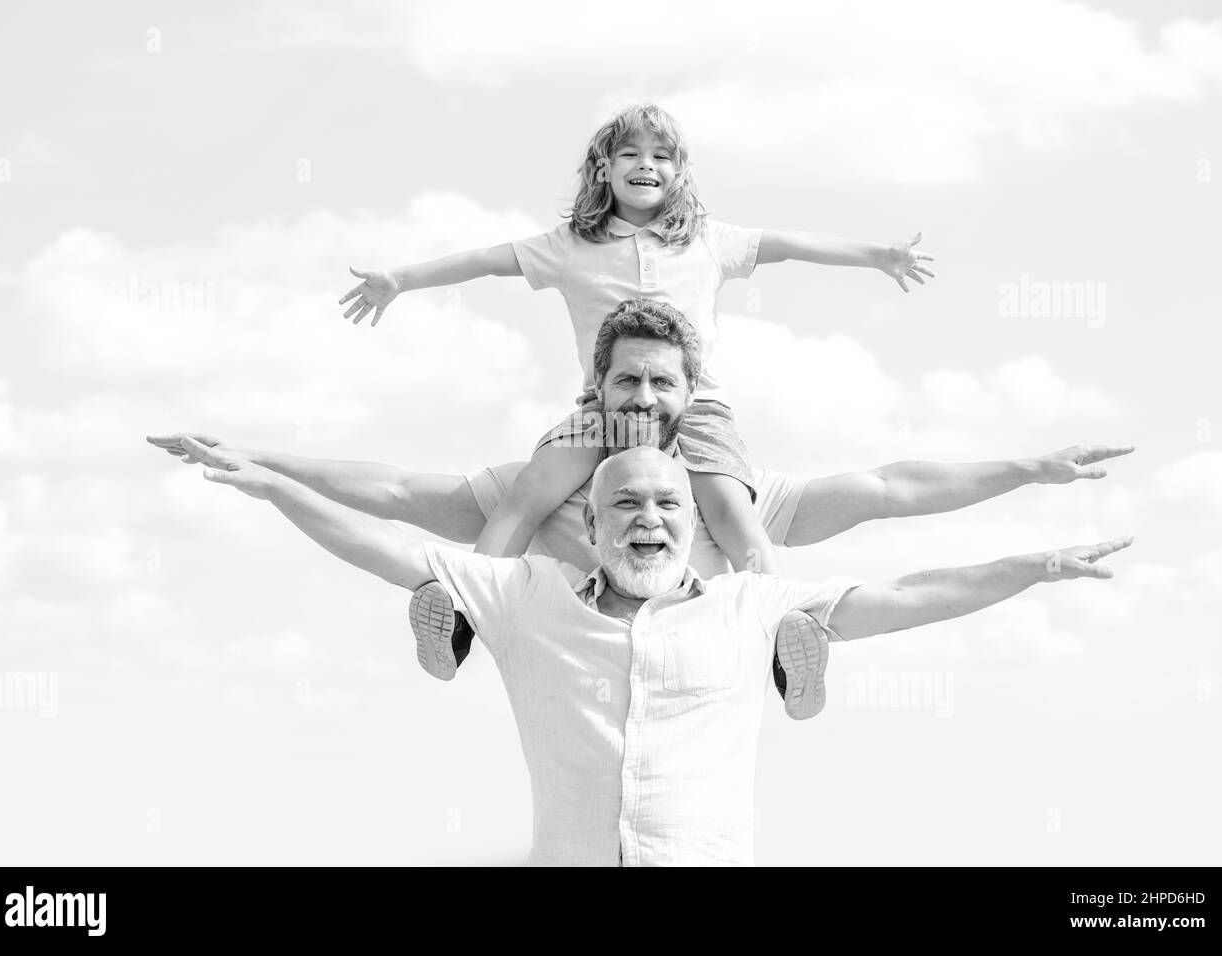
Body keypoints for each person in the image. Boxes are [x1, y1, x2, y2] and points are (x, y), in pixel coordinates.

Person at [158, 440, 1131, 866]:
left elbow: (906, 594)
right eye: (626, 501)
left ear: (693, 522)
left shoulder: (751, 602)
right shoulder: (532, 593)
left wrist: (1034, 561)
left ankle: (803, 673)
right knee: (438, 582)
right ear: (589, 519)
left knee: (812, 624)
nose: (650, 516)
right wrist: (271, 484)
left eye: (669, 502)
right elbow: (389, 539)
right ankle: (444, 630)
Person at [149, 305, 1133, 718]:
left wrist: (1029, 469)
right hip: (569, 663)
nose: (642, 400)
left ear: (687, 390)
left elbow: (888, 489)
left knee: (785, 600)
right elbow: (402, 492)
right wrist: (264, 458)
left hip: (696, 675)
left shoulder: (721, 480)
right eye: (625, 381)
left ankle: (791, 656)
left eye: (662, 383)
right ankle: (451, 629)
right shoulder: (557, 468)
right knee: (480, 559)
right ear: (597, 385)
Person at [336, 104, 936, 674]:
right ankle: (461, 615)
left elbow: (786, 246)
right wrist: (401, 279)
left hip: (696, 412)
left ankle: (782, 639)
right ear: (603, 168)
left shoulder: (705, 239)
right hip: (605, 408)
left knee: (735, 517)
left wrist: (876, 256)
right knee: (529, 492)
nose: (645, 164)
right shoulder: (570, 245)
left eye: (661, 156)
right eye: (630, 153)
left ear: (680, 174)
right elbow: (488, 261)